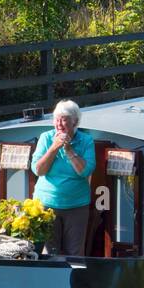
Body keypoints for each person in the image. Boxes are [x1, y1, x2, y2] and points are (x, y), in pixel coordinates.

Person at [31, 100, 96, 256]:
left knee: (74, 253)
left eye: (64, 119)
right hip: (47, 204)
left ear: (75, 121)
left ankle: (73, 280)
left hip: (76, 205)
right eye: (56, 119)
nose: (59, 124)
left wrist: (68, 149)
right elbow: (38, 170)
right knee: (50, 252)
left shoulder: (86, 140)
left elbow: (85, 171)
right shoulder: (46, 138)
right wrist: (54, 147)